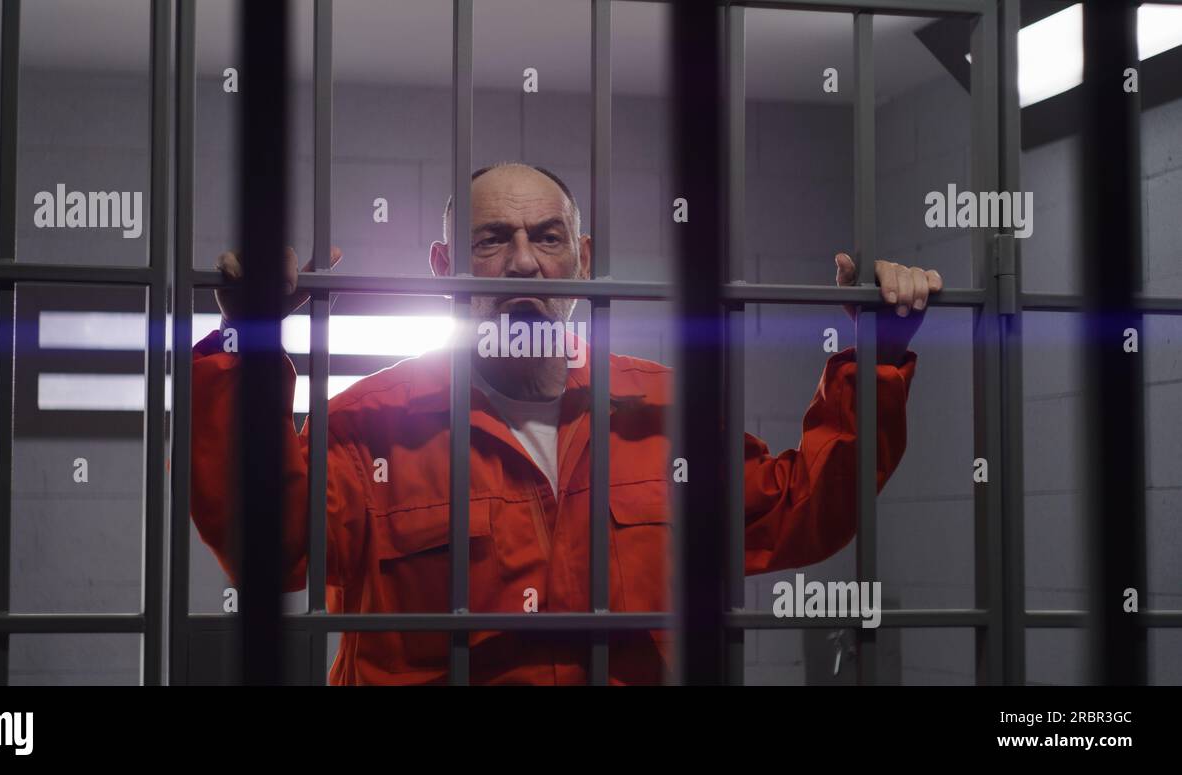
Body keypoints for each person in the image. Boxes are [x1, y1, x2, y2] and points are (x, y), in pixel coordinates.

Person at [189, 161, 943, 685]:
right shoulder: (370, 424)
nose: (523, 262)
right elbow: (270, 547)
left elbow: (804, 509)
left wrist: (873, 356)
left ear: (581, 259)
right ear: (446, 264)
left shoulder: (663, 412)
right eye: (493, 239)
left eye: (548, 237)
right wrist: (240, 341)